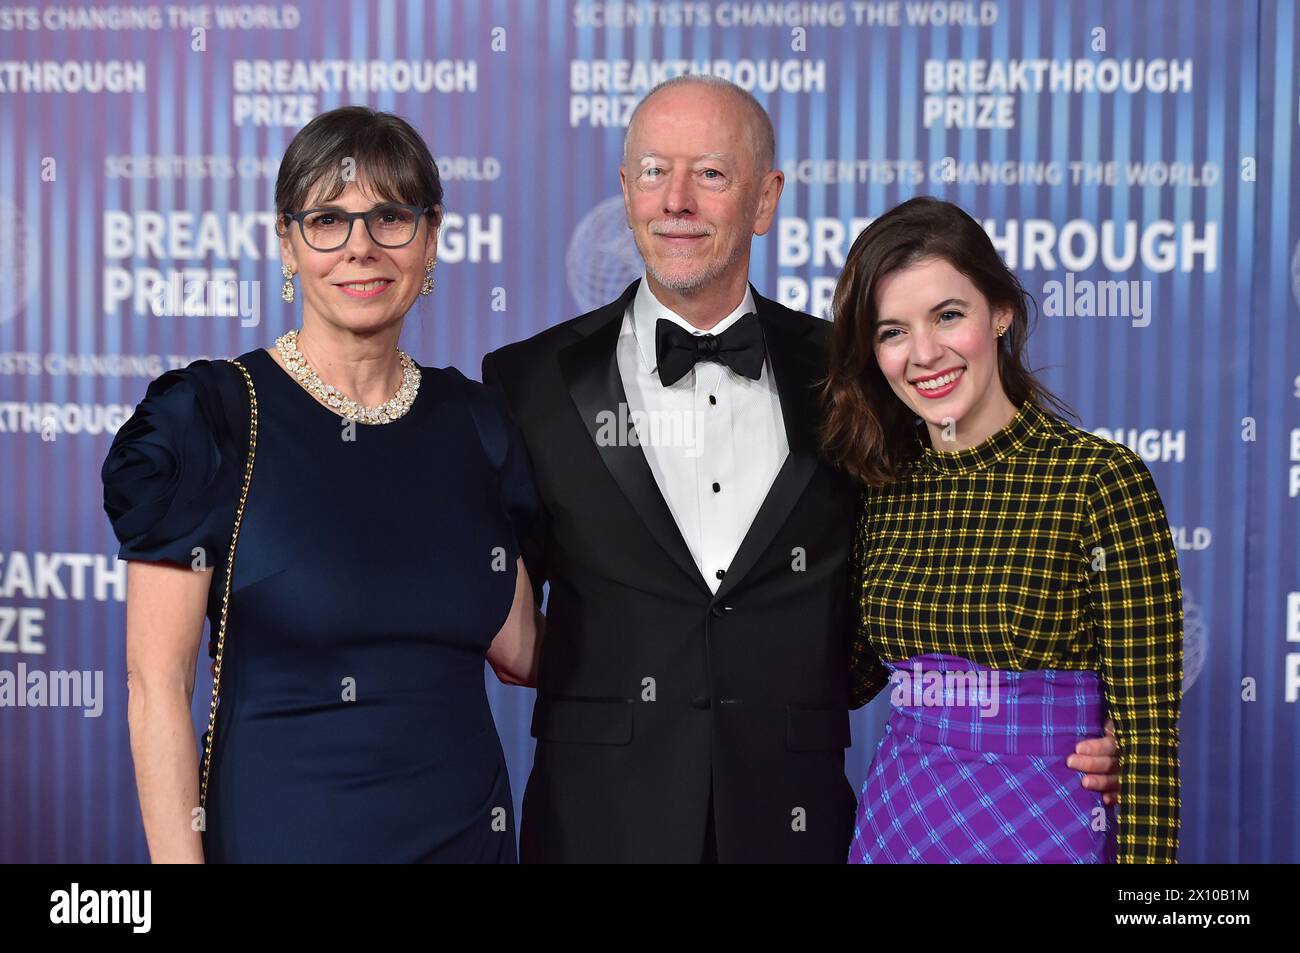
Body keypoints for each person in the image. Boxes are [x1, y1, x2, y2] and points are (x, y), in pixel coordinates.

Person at [482, 77, 1123, 863]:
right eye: (653, 171)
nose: (676, 198)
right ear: (626, 190)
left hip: (798, 823)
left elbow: (969, 528)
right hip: (595, 820)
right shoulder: (528, 379)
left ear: (765, 199)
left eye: (711, 174)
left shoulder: (856, 372)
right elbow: (499, 616)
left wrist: (1084, 718)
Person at [102, 106, 541, 863]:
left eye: (391, 217)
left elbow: (522, 649)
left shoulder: (479, 422)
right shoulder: (210, 417)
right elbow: (157, 685)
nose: (361, 248)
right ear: (286, 243)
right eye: (327, 220)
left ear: (431, 238)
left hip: (468, 839)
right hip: (282, 837)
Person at [821, 196, 1182, 863]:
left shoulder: (1098, 481)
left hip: (1048, 831)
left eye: (948, 315)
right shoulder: (882, 487)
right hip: (899, 826)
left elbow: (1149, 747)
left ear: (1002, 312)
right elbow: (840, 677)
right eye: (892, 330)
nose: (924, 353)